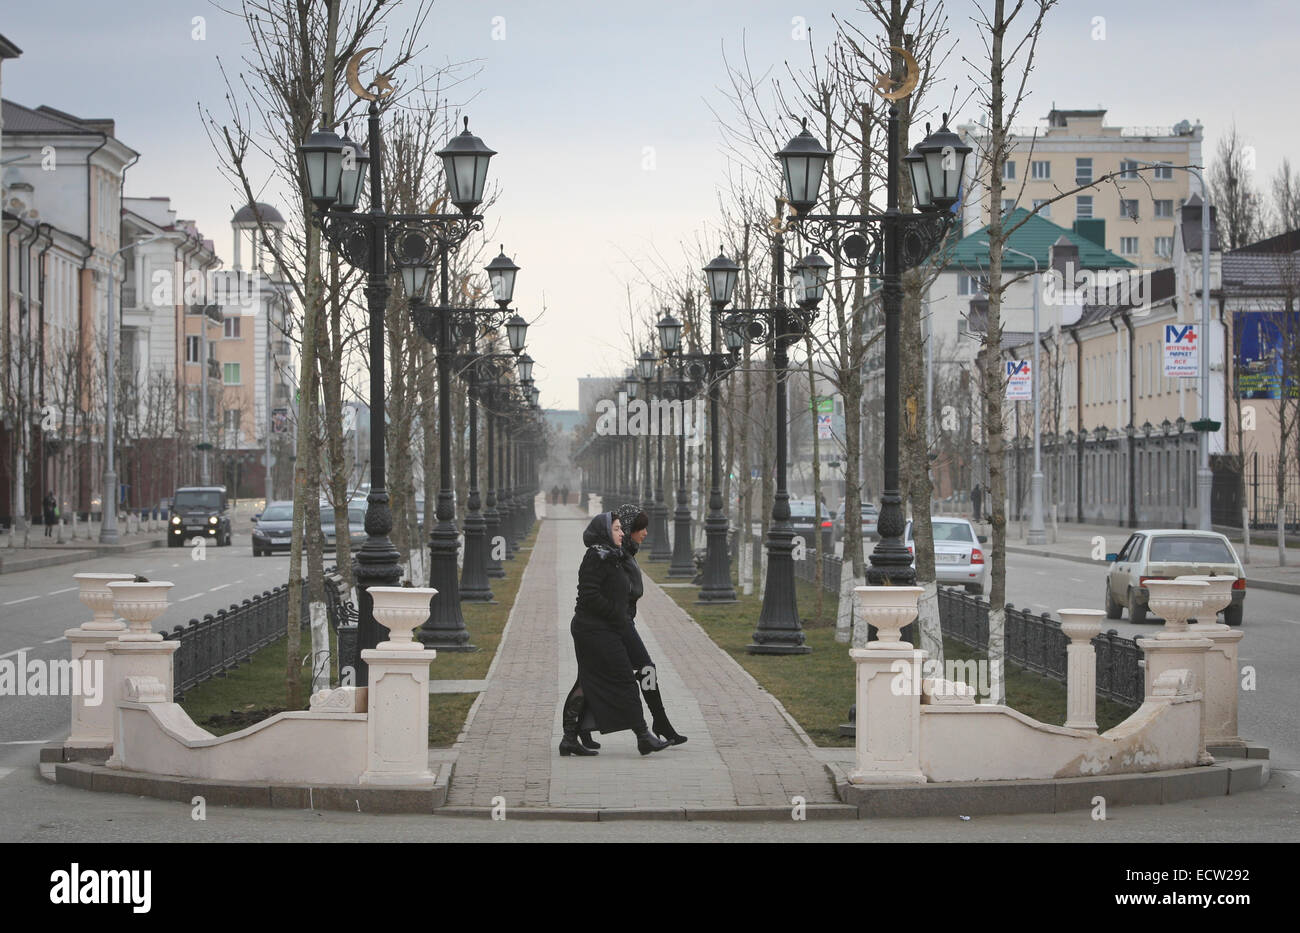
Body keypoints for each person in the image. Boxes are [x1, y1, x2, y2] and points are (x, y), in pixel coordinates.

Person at [560, 512, 670, 757]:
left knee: (589, 681)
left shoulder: (612, 555)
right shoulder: (596, 557)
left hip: (604, 628)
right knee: (624, 680)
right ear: (605, 531)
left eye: (622, 528)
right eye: (618, 529)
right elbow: (588, 595)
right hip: (593, 630)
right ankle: (643, 735)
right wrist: (615, 614)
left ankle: (569, 738)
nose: (622, 533)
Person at [612, 503, 686, 745]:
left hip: (624, 623)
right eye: (641, 528)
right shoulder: (618, 555)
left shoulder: (627, 552)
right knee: (645, 669)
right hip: (620, 626)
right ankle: (659, 722)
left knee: (599, 676)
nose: (645, 533)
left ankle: (574, 730)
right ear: (630, 528)